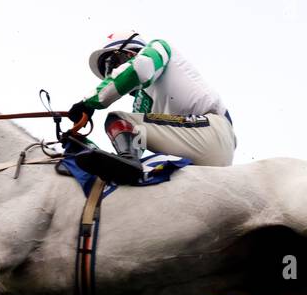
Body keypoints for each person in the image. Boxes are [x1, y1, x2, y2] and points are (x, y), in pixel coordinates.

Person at [66, 31, 236, 185]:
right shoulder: (140, 108)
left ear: (131, 53)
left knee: (117, 118)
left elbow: (140, 68)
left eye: (112, 63)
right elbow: (130, 153)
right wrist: (85, 147)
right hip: (204, 150)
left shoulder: (158, 48)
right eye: (106, 71)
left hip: (215, 132)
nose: (111, 73)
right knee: (128, 145)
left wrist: (88, 102)